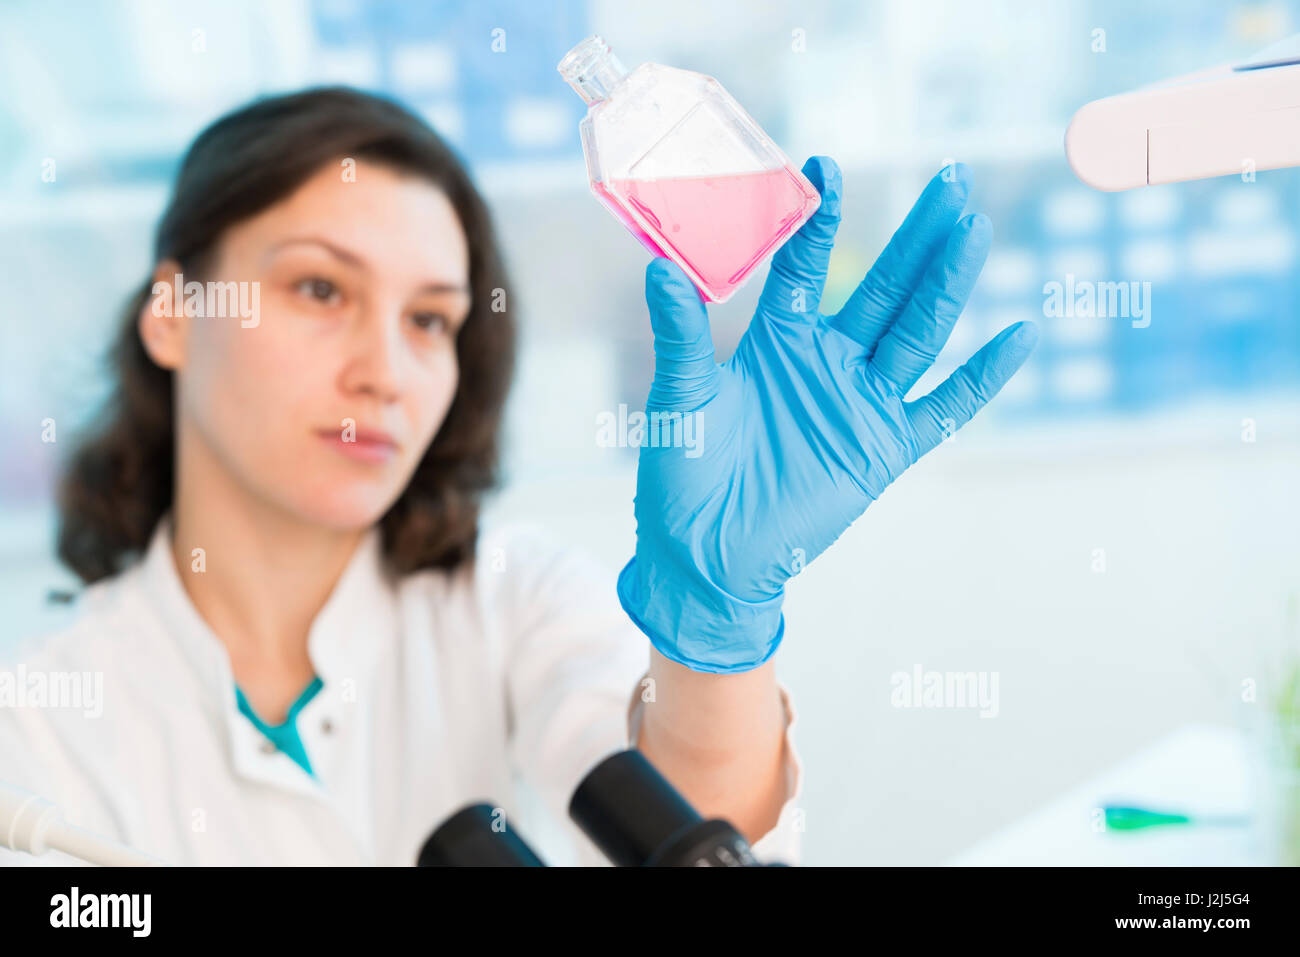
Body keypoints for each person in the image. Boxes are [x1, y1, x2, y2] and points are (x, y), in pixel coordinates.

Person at [0, 87, 1036, 866]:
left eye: (430, 321)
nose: (386, 371)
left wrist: (716, 631)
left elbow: (675, 808)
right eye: (320, 287)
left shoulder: (514, 602)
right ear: (174, 312)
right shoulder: (37, 724)